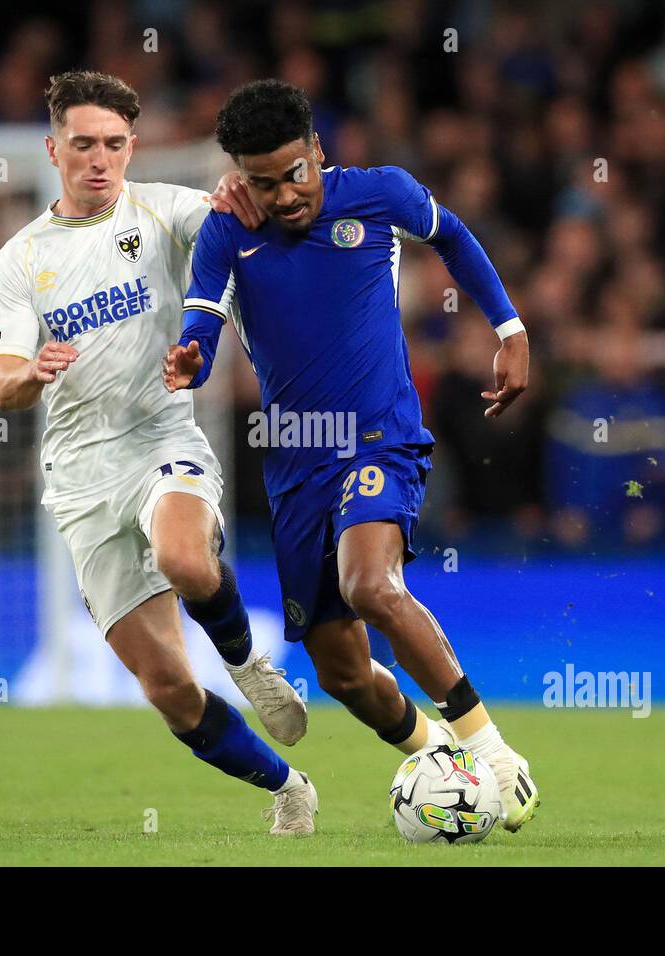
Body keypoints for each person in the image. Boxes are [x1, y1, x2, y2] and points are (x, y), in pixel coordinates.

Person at [166, 79, 538, 832]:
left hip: (379, 435)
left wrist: (509, 328)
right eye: (262, 182)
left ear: (317, 152)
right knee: (341, 673)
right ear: (241, 175)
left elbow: (455, 237)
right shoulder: (226, 230)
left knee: (370, 584)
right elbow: (202, 315)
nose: (283, 195)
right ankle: (441, 753)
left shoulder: (378, 196)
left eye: (293, 174)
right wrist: (190, 359)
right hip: (297, 464)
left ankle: (494, 755)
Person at [0, 71, 314, 835]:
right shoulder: (19, 260)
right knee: (166, 686)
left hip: (162, 439)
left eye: (113, 144)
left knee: (185, 560)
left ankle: (246, 665)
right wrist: (29, 372)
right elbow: (1, 381)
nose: (98, 160)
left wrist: (248, 198)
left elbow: (254, 224)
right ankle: (287, 785)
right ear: (52, 149)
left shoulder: (167, 211)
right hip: (80, 478)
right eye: (82, 145)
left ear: (132, 146)